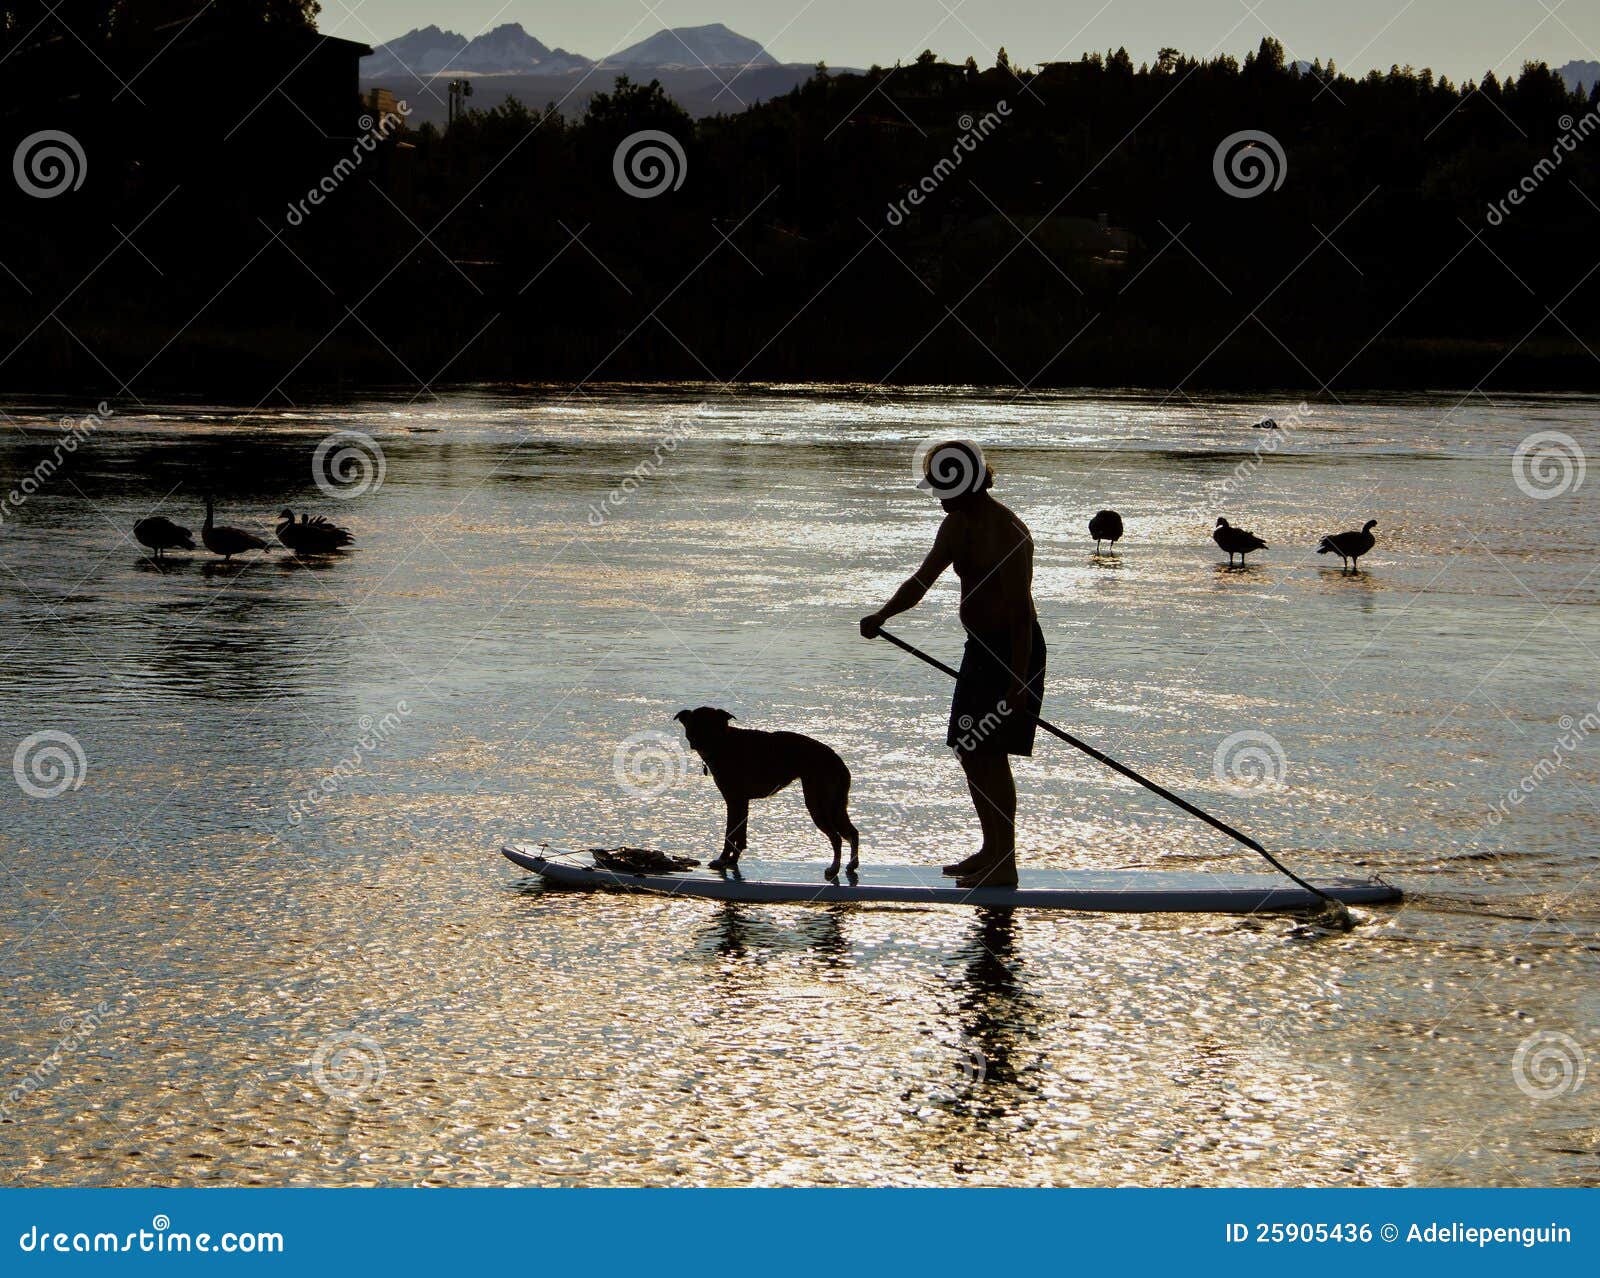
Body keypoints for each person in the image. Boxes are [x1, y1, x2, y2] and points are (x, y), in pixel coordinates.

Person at [860, 440, 1046, 887]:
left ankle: (1005, 862)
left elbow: (1021, 615)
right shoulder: (957, 525)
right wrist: (883, 614)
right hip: (979, 650)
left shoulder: (1008, 532)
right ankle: (991, 850)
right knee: (970, 748)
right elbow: (921, 581)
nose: (938, 499)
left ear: (967, 485)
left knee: (991, 753)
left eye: (944, 489)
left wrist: (1018, 684)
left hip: (1014, 655)